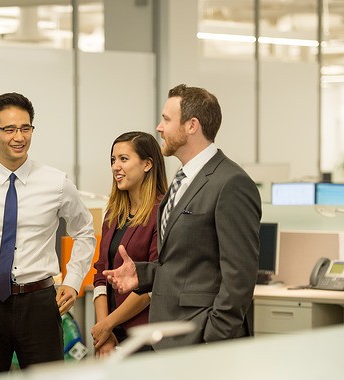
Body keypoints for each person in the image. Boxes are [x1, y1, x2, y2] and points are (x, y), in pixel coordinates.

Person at [0, 92, 96, 375]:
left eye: (25, 128)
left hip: (40, 302)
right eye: (9, 129)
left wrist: (73, 281)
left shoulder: (56, 183)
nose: (18, 137)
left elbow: (84, 231)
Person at [104, 84, 262, 349]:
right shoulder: (183, 180)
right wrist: (141, 275)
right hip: (171, 336)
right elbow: (187, 263)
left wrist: (213, 336)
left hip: (202, 339)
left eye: (166, 119)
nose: (159, 127)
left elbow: (240, 277)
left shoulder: (230, 183)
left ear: (192, 125)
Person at [91, 131, 167, 357]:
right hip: (112, 333)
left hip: (145, 335)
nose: (116, 166)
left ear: (147, 164)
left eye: (124, 159)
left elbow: (154, 281)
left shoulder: (162, 213)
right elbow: (101, 273)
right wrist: (105, 330)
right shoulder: (114, 214)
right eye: (113, 160)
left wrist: (106, 325)